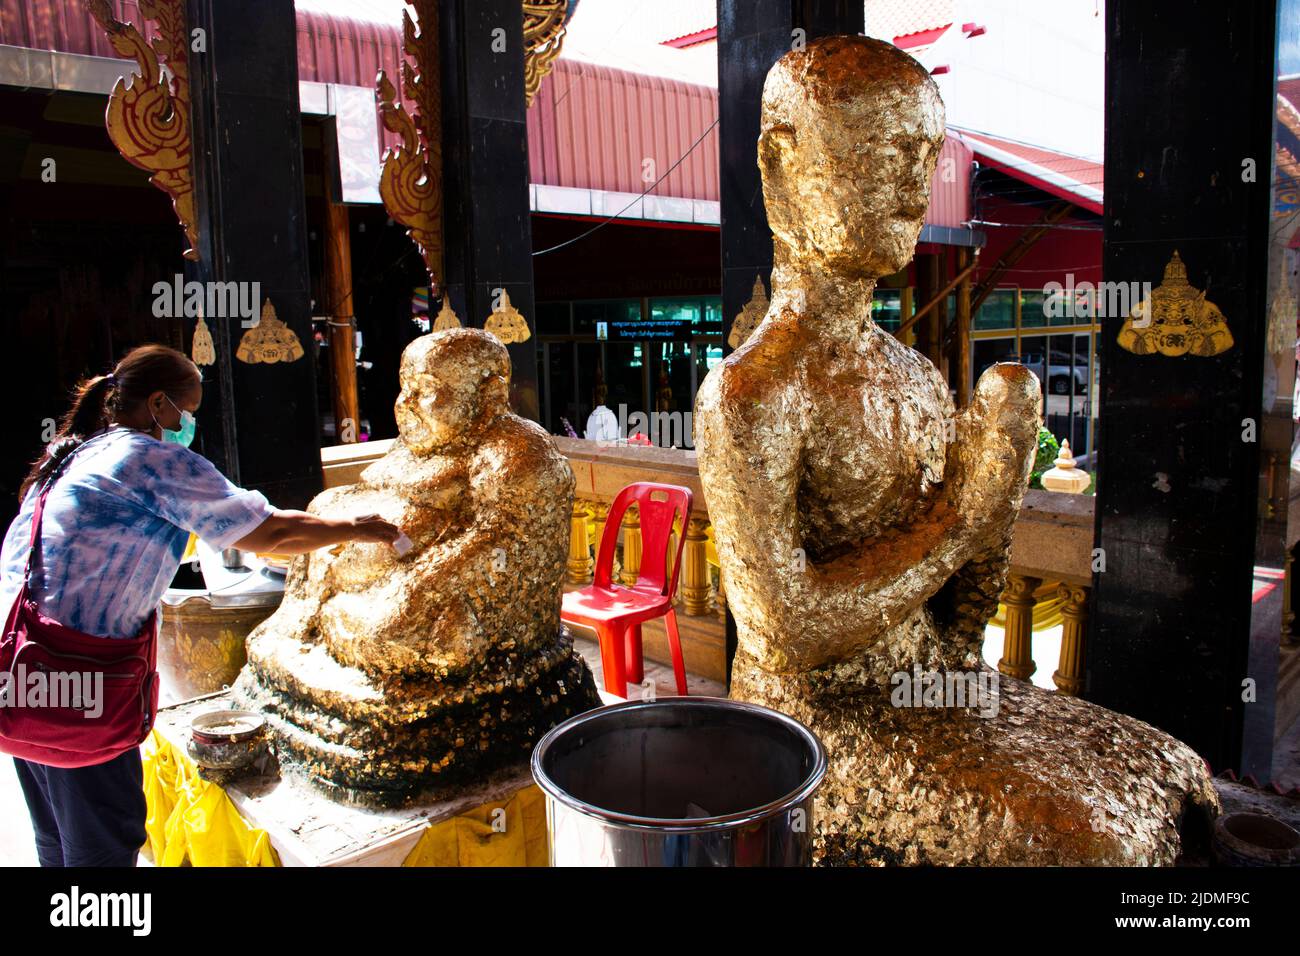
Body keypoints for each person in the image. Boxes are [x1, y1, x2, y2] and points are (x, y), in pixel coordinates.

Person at [0, 344, 401, 866]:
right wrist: (357, 528)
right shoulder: (147, 459)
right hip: (81, 688)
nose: (190, 423)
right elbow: (271, 532)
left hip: (24, 674)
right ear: (159, 404)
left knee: (57, 838)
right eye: (188, 411)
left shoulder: (76, 453)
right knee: (101, 847)